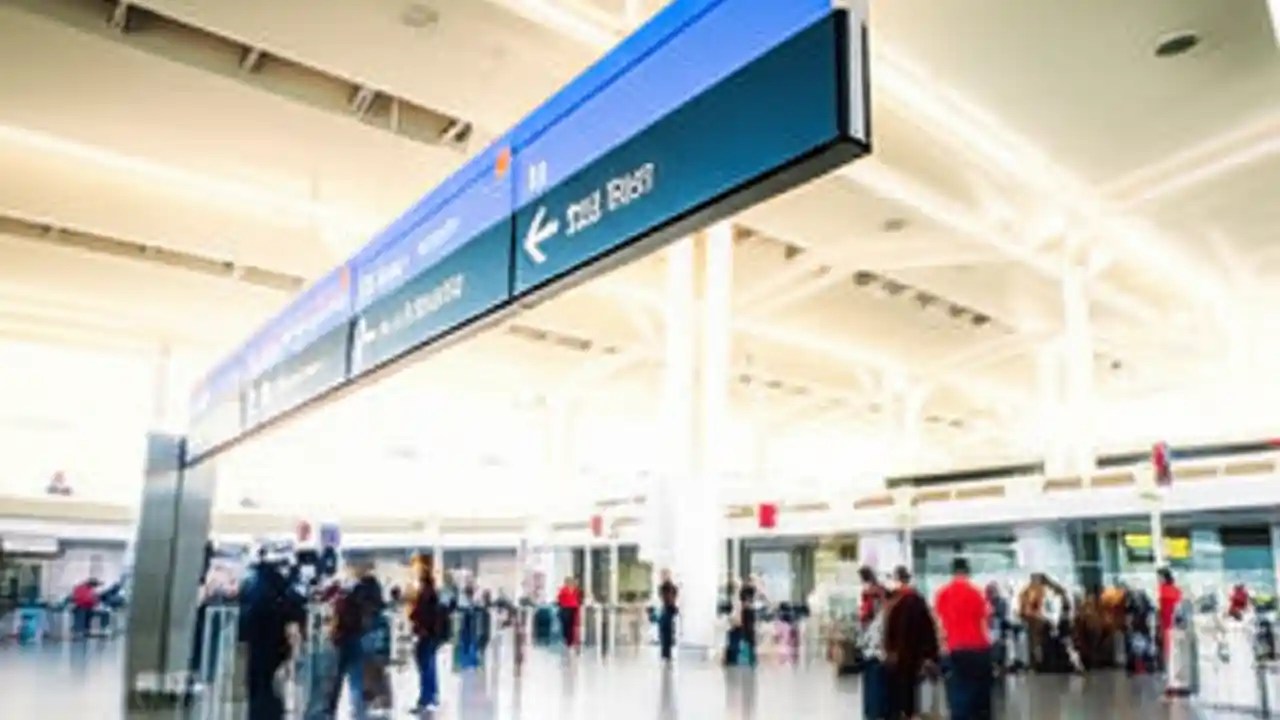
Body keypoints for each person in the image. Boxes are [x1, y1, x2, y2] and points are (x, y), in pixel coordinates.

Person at [240, 556, 304, 720]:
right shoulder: (282, 592)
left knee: (258, 689)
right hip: (276, 648)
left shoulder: (253, 589)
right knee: (272, 690)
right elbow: (293, 618)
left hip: (256, 649)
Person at [935, 558, 993, 720]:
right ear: (968, 572)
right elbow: (984, 623)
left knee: (957, 694)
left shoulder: (943, 594)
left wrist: (942, 648)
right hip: (979, 648)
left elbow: (940, 626)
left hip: (955, 649)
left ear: (952, 572)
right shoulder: (977, 593)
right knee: (980, 698)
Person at [882, 567, 939, 720]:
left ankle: (907, 713)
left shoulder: (898, 602)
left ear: (898, 580)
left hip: (901, 654)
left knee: (903, 688)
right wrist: (930, 653)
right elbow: (929, 628)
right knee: (913, 687)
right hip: (914, 652)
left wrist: (890, 650)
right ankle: (913, 714)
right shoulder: (917, 600)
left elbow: (891, 630)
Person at [331, 562, 386, 718]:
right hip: (361, 637)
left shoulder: (352, 596)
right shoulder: (372, 600)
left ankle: (336, 707)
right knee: (360, 674)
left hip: (349, 638)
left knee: (343, 674)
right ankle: (360, 707)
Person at [409, 555, 447, 714]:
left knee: (425, 666)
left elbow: (420, 613)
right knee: (429, 665)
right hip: (431, 634)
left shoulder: (425, 592)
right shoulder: (431, 591)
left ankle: (426, 698)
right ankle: (431, 696)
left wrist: (415, 619)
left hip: (426, 633)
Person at [858, 567, 889, 720]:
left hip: (873, 645)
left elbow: (866, 616)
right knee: (876, 679)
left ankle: (873, 711)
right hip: (876, 645)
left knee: (872, 679)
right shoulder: (879, 591)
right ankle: (876, 710)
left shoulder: (871, 593)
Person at [1157, 568, 1182, 669]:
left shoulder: (1163, 589)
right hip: (1170, 621)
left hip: (1166, 621)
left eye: (1159, 577)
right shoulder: (1175, 590)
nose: (1158, 579)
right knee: (1171, 646)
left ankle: (1166, 666)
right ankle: (1168, 666)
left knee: (1167, 646)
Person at [738, 575, 760, 667]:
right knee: (749, 636)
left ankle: (750, 657)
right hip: (748, 615)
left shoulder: (748, 590)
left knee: (749, 637)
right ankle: (749, 658)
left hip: (748, 615)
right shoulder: (747, 590)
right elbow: (746, 602)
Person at [658, 569, 679, 662]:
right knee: (665, 631)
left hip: (669, 609)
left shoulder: (668, 587)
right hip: (667, 609)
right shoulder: (664, 587)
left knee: (667, 631)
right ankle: (665, 653)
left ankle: (666, 653)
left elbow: (671, 597)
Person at [557, 577, 583, 651]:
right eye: (568, 582)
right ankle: (568, 640)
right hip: (565, 609)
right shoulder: (563, 590)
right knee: (566, 625)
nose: (569, 583)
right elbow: (559, 599)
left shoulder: (576, 590)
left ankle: (570, 641)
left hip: (574, 609)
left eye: (570, 582)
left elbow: (578, 599)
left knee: (571, 626)